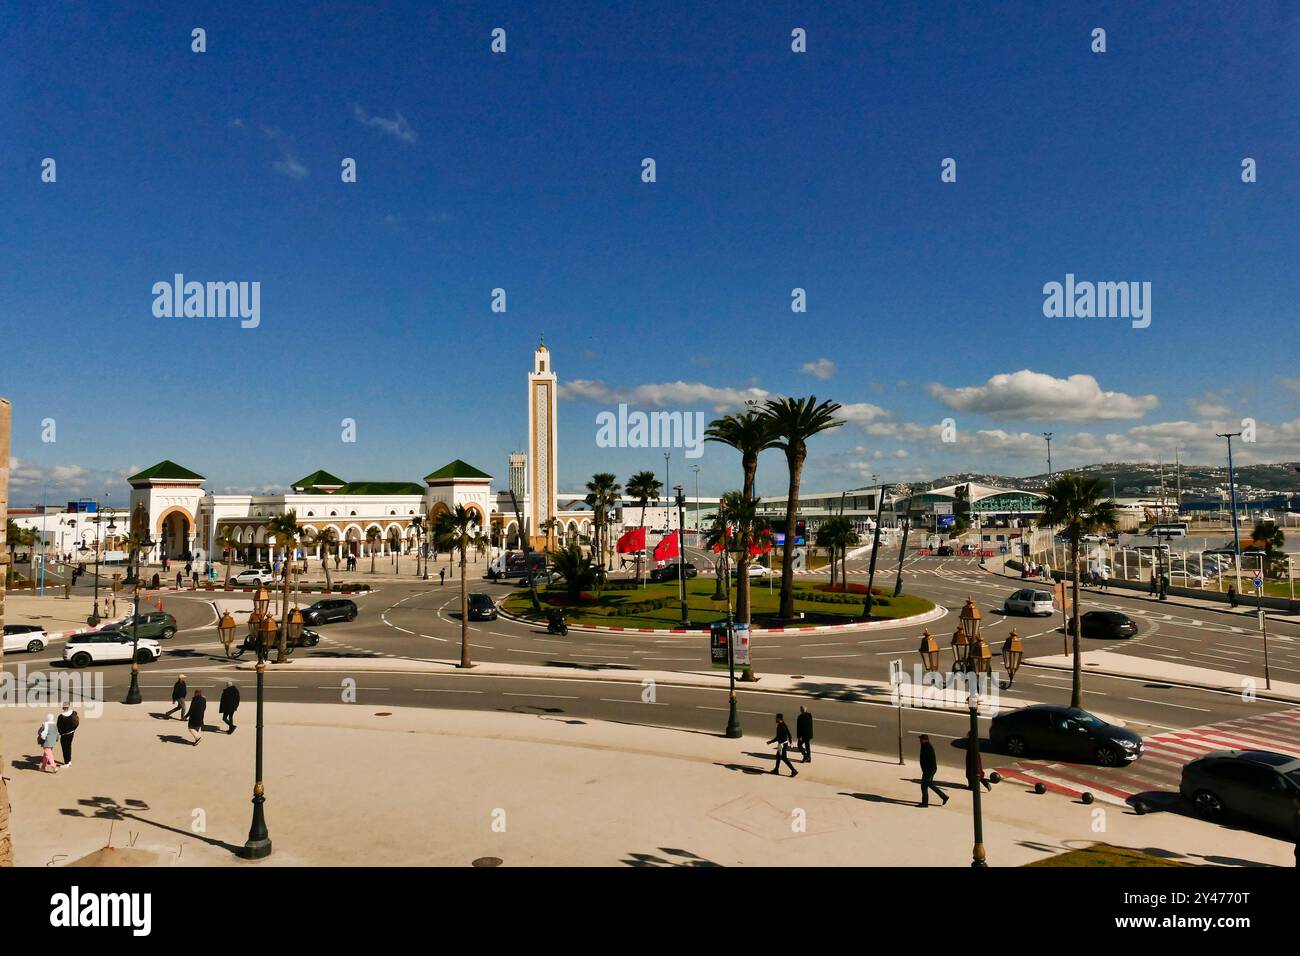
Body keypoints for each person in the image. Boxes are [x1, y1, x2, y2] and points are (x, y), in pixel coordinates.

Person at [918, 734, 948, 807]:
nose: (920, 740)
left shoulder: (927, 747)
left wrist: (926, 770)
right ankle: (944, 797)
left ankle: (925, 803)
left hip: (929, 770)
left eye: (921, 739)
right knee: (929, 784)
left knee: (924, 786)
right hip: (928, 769)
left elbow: (930, 760)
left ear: (925, 740)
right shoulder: (924, 746)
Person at [767, 713, 798, 777]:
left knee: (784, 758)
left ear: (778, 718)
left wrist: (770, 742)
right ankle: (776, 769)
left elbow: (777, 737)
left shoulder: (780, 727)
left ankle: (793, 770)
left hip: (782, 745)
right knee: (778, 756)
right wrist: (790, 742)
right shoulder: (784, 724)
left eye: (776, 718)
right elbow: (789, 734)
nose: (775, 719)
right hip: (784, 743)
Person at [56, 703, 79, 767]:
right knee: (69, 747)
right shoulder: (74, 713)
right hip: (71, 733)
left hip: (64, 735)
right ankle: (69, 761)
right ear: (68, 707)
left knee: (65, 748)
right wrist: (73, 729)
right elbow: (77, 722)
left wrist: (60, 733)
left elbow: (58, 726)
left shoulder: (61, 716)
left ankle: (66, 763)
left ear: (63, 707)